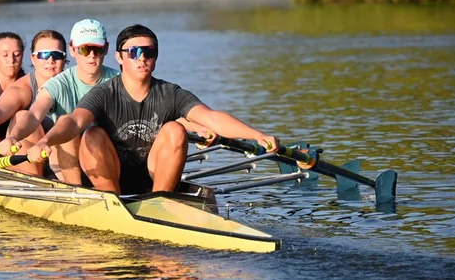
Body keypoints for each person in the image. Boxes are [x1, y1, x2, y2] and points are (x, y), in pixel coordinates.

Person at [27, 24, 279, 195]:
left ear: (156, 57)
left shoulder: (170, 93)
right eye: (134, 52)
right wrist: (46, 140)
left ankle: (161, 200)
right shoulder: (104, 93)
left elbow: (211, 117)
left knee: (175, 129)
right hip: (111, 177)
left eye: (149, 52)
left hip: (154, 177)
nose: (142, 58)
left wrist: (257, 135)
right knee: (91, 134)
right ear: (119, 57)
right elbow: (73, 122)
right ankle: (110, 200)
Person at [0, 19, 118, 184]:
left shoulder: (119, 80)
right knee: (64, 122)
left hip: (105, 156)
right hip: (65, 160)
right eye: (85, 49)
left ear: (106, 49)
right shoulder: (58, 84)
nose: (91, 55)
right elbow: (33, 115)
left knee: (94, 135)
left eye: (97, 49)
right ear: (73, 50)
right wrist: (13, 137)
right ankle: (75, 189)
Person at [0, 29, 68, 154]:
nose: (50, 60)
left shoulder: (76, 81)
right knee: (21, 117)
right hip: (30, 153)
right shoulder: (22, 87)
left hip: (63, 150)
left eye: (57, 54)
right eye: (43, 54)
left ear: (65, 58)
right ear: (33, 59)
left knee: (67, 123)